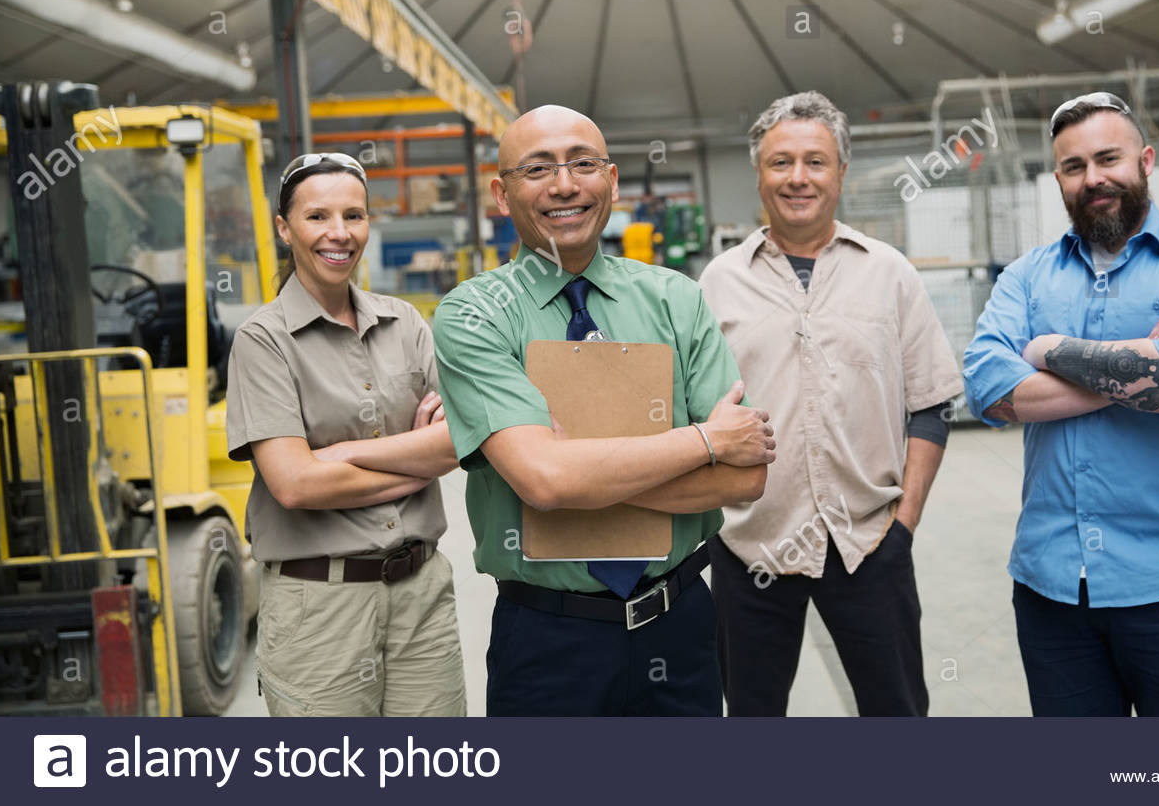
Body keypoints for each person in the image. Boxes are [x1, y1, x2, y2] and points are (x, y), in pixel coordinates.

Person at [432, 105, 774, 716]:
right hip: (548, 641)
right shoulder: (475, 316)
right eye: (538, 168)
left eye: (583, 164)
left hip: (681, 626)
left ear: (611, 181)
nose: (565, 185)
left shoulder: (677, 301)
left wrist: (580, 474)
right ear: (501, 194)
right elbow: (545, 480)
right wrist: (705, 442)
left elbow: (745, 477)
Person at [963, 92, 1159, 716]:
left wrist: (1045, 350)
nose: (1093, 178)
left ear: (1145, 161)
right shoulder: (1025, 277)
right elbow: (989, 389)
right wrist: (1137, 362)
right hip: (1052, 592)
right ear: (1058, 179)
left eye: (1108, 158)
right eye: (1074, 166)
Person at [699, 91, 962, 716]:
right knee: (752, 720)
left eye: (815, 162)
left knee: (896, 714)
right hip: (750, 546)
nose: (798, 177)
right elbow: (694, 419)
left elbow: (932, 404)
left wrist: (904, 526)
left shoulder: (890, 273)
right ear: (759, 174)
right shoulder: (718, 282)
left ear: (840, 172)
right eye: (781, 162)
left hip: (868, 541)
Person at [226, 152, 465, 716]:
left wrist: (345, 455)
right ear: (284, 228)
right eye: (318, 217)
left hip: (422, 595)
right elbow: (296, 485)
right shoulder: (263, 341)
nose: (340, 233)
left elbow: (459, 442)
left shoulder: (405, 323)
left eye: (353, 216)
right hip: (320, 609)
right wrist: (416, 465)